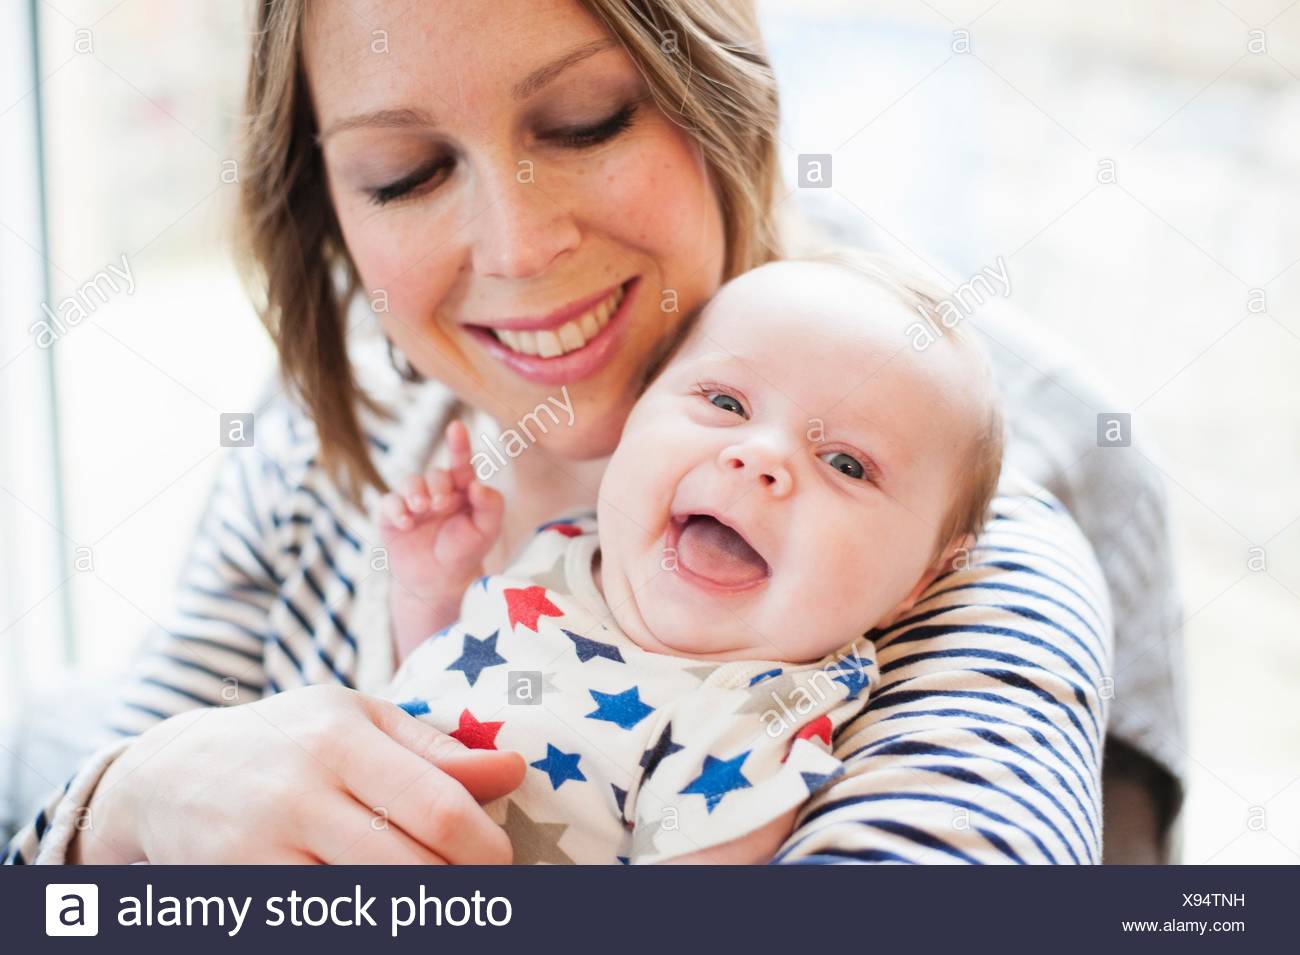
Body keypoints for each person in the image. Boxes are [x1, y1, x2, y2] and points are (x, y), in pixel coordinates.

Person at [4, 0, 1180, 865]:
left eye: (586, 121)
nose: (516, 248)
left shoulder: (958, 568)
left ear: (728, 88)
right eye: (405, 173)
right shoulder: (335, 429)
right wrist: (129, 804)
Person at [379, 256, 1013, 863]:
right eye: (726, 402)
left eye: (846, 464)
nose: (760, 456)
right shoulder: (562, 551)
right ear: (636, 411)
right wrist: (432, 588)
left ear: (920, 581)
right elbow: (428, 691)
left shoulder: (755, 719)